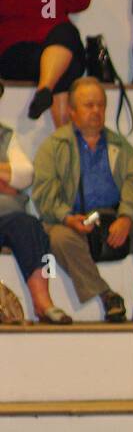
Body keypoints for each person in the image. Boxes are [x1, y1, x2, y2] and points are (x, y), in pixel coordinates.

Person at [32, 78, 133, 322]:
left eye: (101, 105)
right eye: (89, 105)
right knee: (57, 237)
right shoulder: (54, 147)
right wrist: (67, 217)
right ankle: (106, 295)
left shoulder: (119, 144)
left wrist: (127, 216)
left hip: (116, 219)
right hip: (75, 223)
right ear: (72, 111)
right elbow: (44, 193)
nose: (96, 111)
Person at [0, 119, 69, 323]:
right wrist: (6, 178)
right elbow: (14, 179)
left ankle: (43, 303)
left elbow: (25, 175)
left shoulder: (5, 135)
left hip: (7, 215)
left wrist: (12, 180)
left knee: (31, 227)